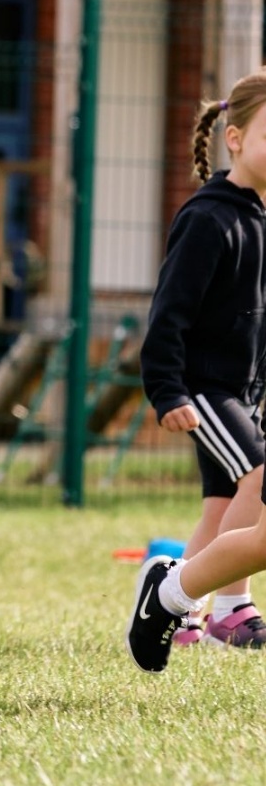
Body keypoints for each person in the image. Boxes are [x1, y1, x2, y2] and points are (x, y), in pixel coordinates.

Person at [129, 68, 266, 672]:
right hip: (206, 388)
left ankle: (180, 611)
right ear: (233, 138)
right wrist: (166, 389)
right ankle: (229, 610)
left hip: (245, 389)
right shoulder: (209, 219)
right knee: (258, 480)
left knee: (221, 504)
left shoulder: (263, 217)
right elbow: (168, 314)